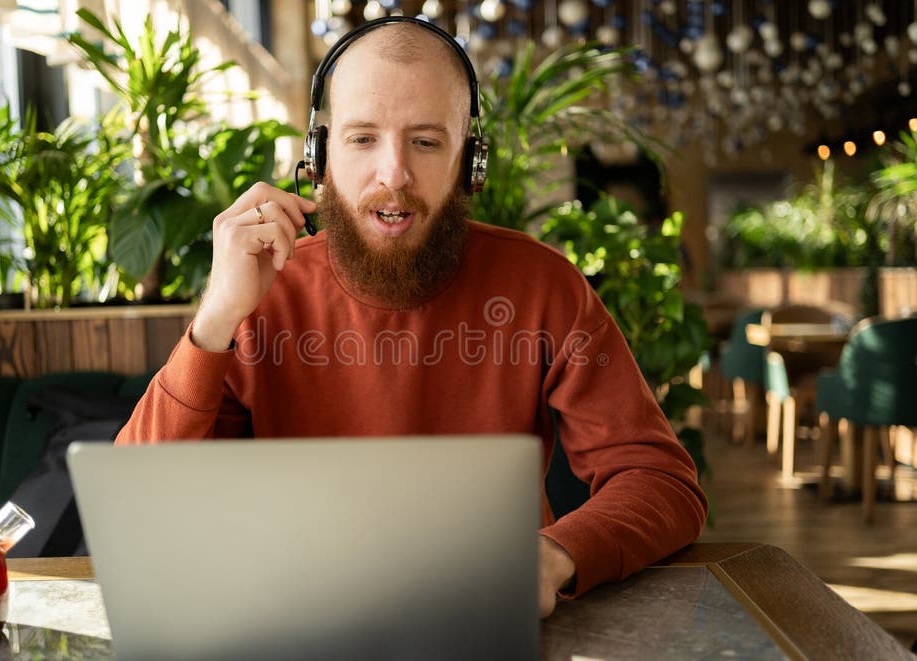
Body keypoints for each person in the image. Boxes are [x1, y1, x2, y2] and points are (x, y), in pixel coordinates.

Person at [116, 17, 708, 619]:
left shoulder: (543, 285)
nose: (393, 174)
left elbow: (660, 478)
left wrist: (554, 556)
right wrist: (215, 316)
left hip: (485, 622)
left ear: (469, 162)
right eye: (363, 138)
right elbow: (137, 505)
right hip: (296, 619)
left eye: (425, 141)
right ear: (319, 156)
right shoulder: (261, 291)